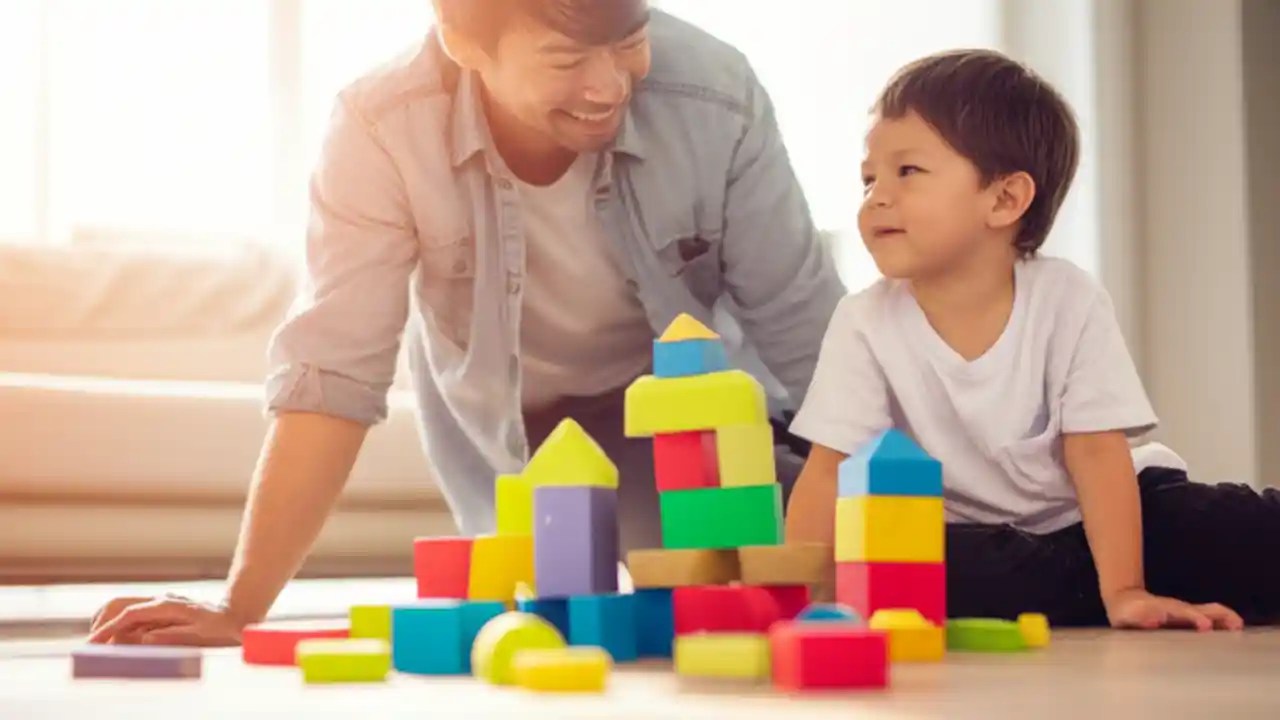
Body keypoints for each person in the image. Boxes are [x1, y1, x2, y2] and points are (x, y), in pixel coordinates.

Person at [87, 0, 844, 646]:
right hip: (509, 431)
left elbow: (805, 326)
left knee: (717, 604)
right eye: (566, 59)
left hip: (675, 415)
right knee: (546, 623)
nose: (609, 84)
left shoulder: (714, 91)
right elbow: (334, 375)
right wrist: (238, 605)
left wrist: (932, 515)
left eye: (629, 42)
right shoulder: (380, 125)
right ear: (464, 44)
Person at [785, 48, 1280, 630]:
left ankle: (1108, 588)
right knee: (923, 573)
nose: (877, 197)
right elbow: (830, 470)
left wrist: (1125, 589)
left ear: (1004, 199)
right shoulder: (863, 321)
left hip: (1109, 514)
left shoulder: (1068, 299)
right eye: (869, 179)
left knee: (1241, 530)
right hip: (971, 539)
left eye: (907, 172)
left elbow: (1097, 453)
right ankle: (1087, 590)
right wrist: (801, 600)